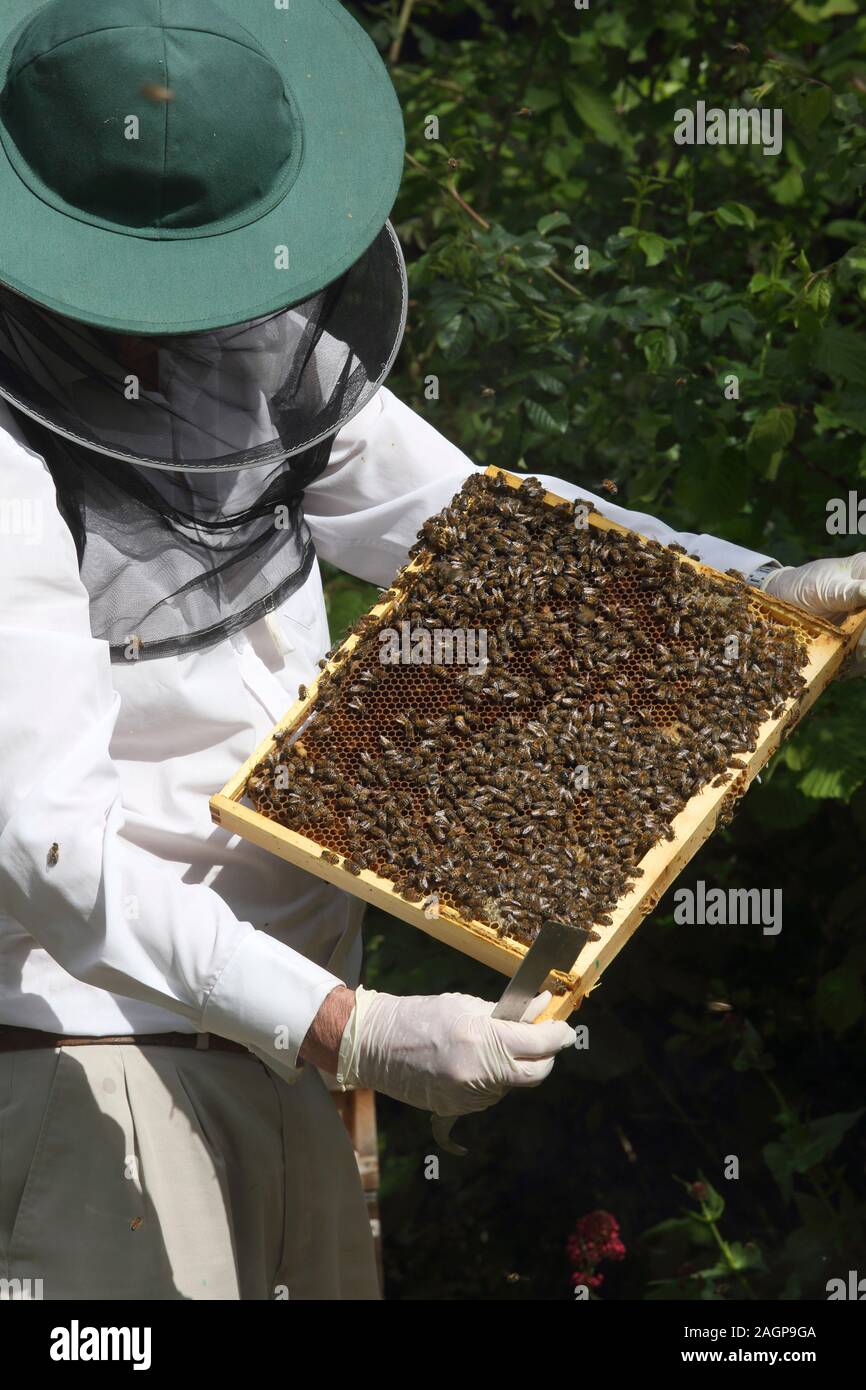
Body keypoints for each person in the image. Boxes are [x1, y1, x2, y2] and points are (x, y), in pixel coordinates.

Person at [0, 0, 863, 1302]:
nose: (196, 318)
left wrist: (743, 593)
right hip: (85, 1059)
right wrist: (365, 1027)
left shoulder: (252, 359)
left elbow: (482, 536)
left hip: (287, 1060)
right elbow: (44, 848)